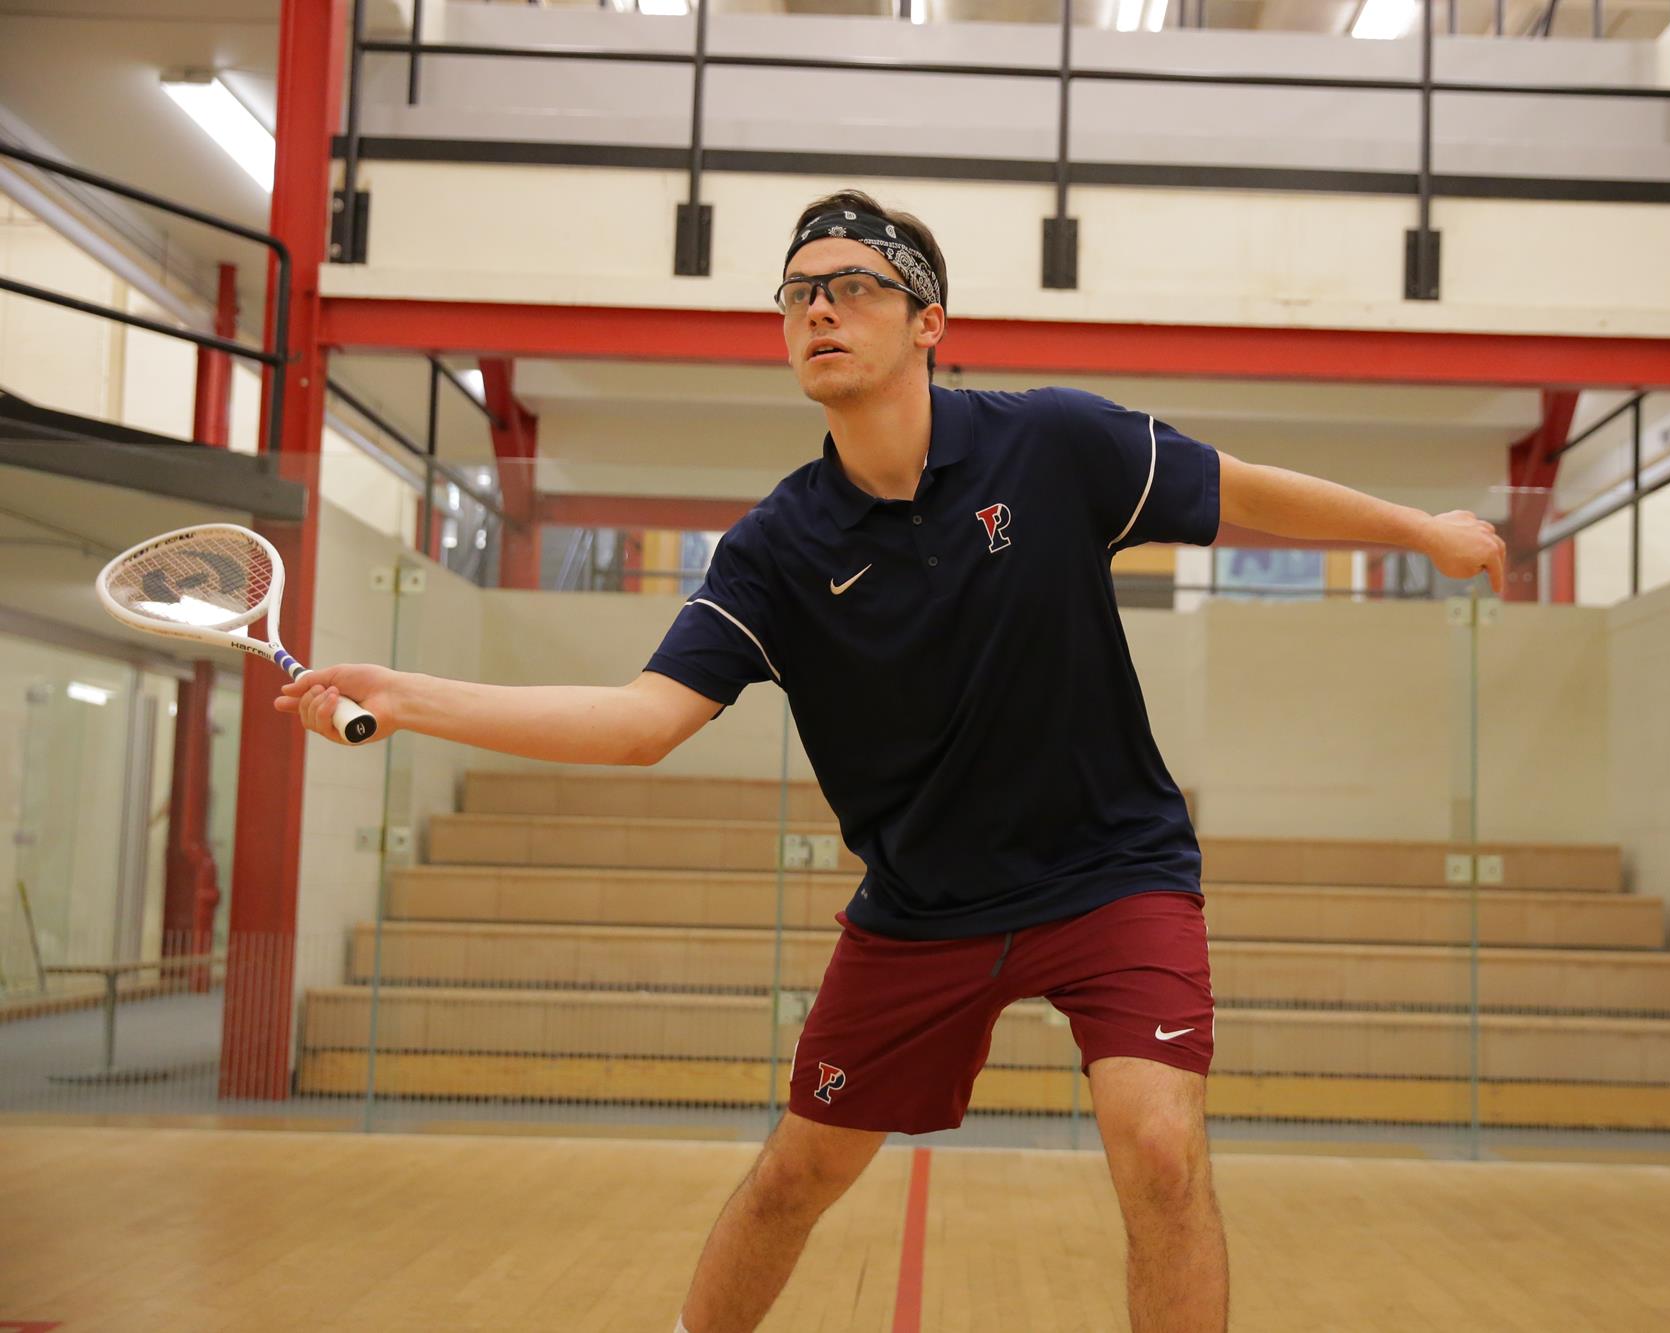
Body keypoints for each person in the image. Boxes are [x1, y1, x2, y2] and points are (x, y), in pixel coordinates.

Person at [280, 189, 1504, 1333]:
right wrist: (406, 697)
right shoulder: (774, 547)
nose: (818, 307)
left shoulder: (1051, 444)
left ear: (928, 322)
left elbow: (1241, 493)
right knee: (793, 1178)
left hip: (1111, 871)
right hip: (920, 914)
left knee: (1162, 1151)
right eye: (797, 291)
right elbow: (639, 721)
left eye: (854, 285)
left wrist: (1418, 532)